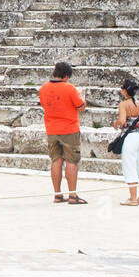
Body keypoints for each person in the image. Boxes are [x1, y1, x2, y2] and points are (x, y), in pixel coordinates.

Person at [40, 61, 87, 204]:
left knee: (56, 160)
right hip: (69, 129)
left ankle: (57, 194)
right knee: (71, 161)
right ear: (66, 76)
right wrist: (83, 98)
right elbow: (80, 106)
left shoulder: (43, 88)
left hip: (52, 129)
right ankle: (72, 195)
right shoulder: (70, 88)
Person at [115, 78, 139, 207]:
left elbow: (122, 121)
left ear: (124, 91)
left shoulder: (123, 104)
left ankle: (133, 198)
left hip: (130, 138)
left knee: (130, 166)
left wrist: (116, 123)